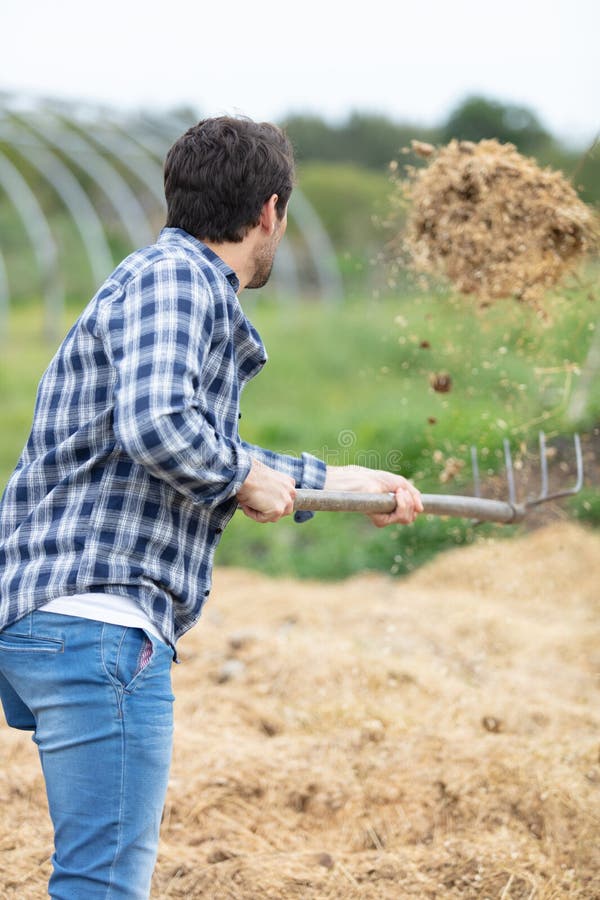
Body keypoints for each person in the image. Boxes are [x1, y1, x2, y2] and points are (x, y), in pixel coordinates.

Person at [0, 116, 423, 899]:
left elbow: (165, 439)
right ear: (269, 211)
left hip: (53, 620)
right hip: (100, 623)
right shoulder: (179, 281)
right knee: (102, 884)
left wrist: (339, 479)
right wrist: (238, 477)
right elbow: (160, 424)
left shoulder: (155, 279)